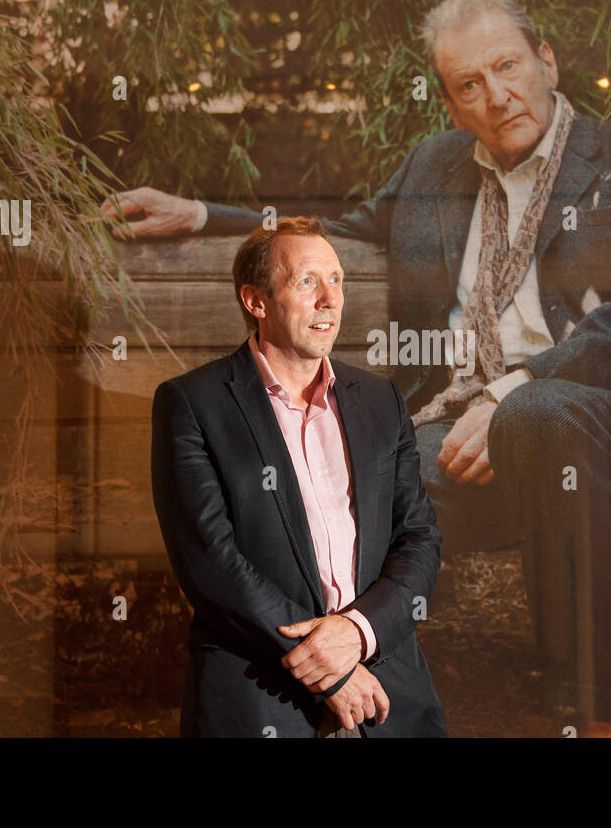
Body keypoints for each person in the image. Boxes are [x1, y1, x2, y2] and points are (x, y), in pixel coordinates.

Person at [124, 0, 611, 721]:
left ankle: (599, 711)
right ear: (449, 104)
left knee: (535, 413)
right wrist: (201, 214)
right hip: (469, 431)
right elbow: (338, 229)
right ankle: (338, 693)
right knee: (357, 489)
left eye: (508, 66)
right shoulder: (435, 169)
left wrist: (512, 390)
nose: (497, 95)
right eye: (469, 84)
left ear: (547, 60)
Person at [150, 216, 446, 737]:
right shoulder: (192, 404)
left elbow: (418, 538)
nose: (330, 298)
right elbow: (210, 562)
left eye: (337, 281)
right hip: (262, 693)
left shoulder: (382, 401)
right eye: (308, 281)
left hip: (389, 691)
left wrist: (358, 632)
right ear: (256, 301)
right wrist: (328, 670)